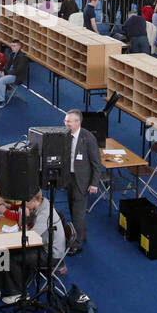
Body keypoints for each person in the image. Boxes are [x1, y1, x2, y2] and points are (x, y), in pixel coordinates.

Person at [0, 189, 66, 302]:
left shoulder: (45, 214)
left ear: (34, 200)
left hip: (50, 254)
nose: (22, 204)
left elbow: (31, 238)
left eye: (24, 202)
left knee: (12, 258)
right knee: (3, 250)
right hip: (40, 244)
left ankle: (18, 293)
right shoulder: (39, 205)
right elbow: (26, 226)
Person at [60, 109, 103, 254]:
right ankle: (81, 236)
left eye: (68, 122)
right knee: (73, 209)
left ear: (78, 122)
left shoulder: (88, 138)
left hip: (82, 181)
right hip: (69, 178)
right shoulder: (65, 135)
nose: (65, 124)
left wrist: (94, 183)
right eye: (65, 121)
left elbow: (97, 163)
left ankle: (76, 244)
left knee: (78, 212)